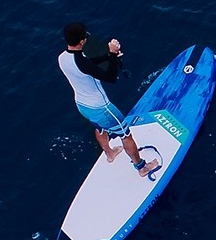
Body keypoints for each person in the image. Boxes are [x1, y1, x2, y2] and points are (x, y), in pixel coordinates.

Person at [57, 22, 160, 177]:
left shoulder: (63, 57)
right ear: (81, 41)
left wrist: (110, 55)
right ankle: (142, 168)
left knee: (100, 128)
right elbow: (111, 77)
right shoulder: (82, 62)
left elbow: (88, 65)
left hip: (82, 105)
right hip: (102, 108)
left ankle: (110, 154)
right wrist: (112, 54)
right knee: (126, 135)